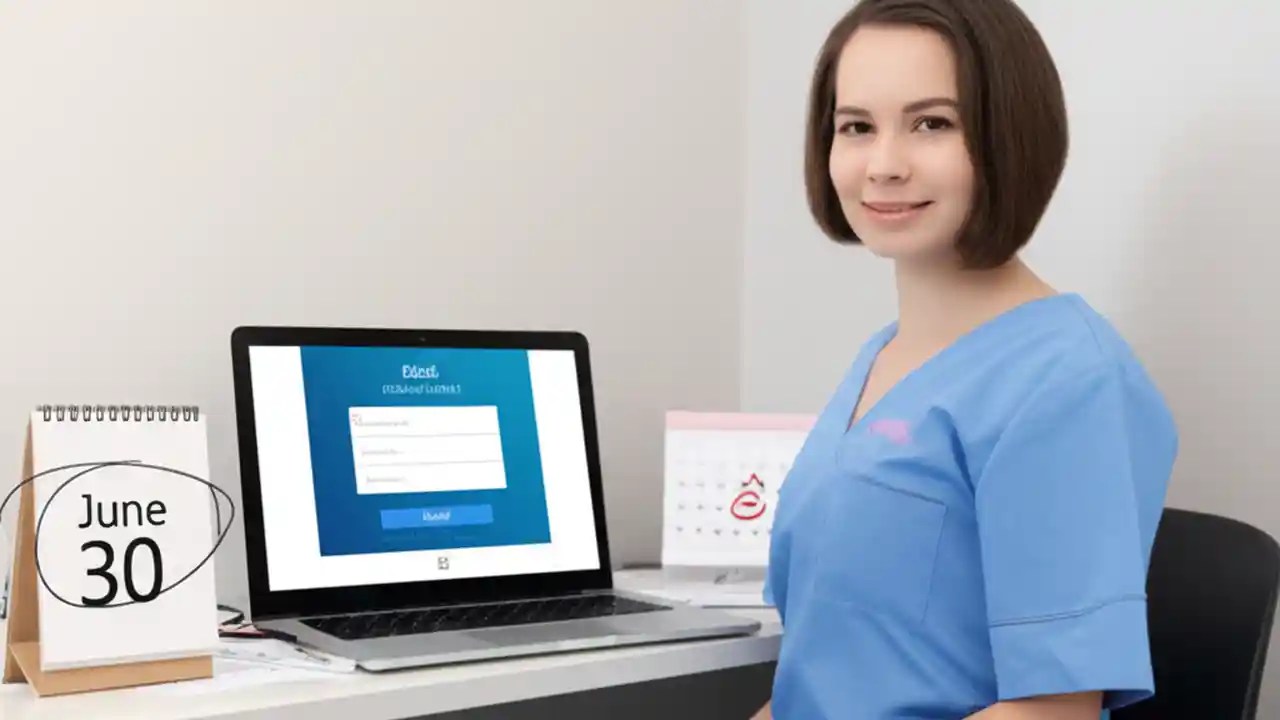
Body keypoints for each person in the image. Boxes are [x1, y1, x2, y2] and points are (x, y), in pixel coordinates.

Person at [754, 0, 1178, 718]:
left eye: (932, 123)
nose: (884, 165)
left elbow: (1052, 712)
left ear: (1009, 137)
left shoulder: (1069, 380)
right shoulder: (879, 359)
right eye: (856, 126)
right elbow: (820, 680)